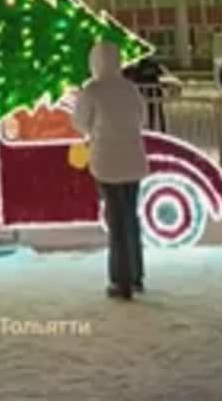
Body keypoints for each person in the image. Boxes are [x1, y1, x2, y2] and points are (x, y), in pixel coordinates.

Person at [72, 41, 148, 300]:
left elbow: (80, 122)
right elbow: (142, 119)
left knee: (116, 222)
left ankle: (120, 280)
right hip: (134, 160)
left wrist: (95, 131)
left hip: (106, 162)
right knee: (131, 218)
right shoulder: (130, 88)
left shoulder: (93, 90)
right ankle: (136, 275)